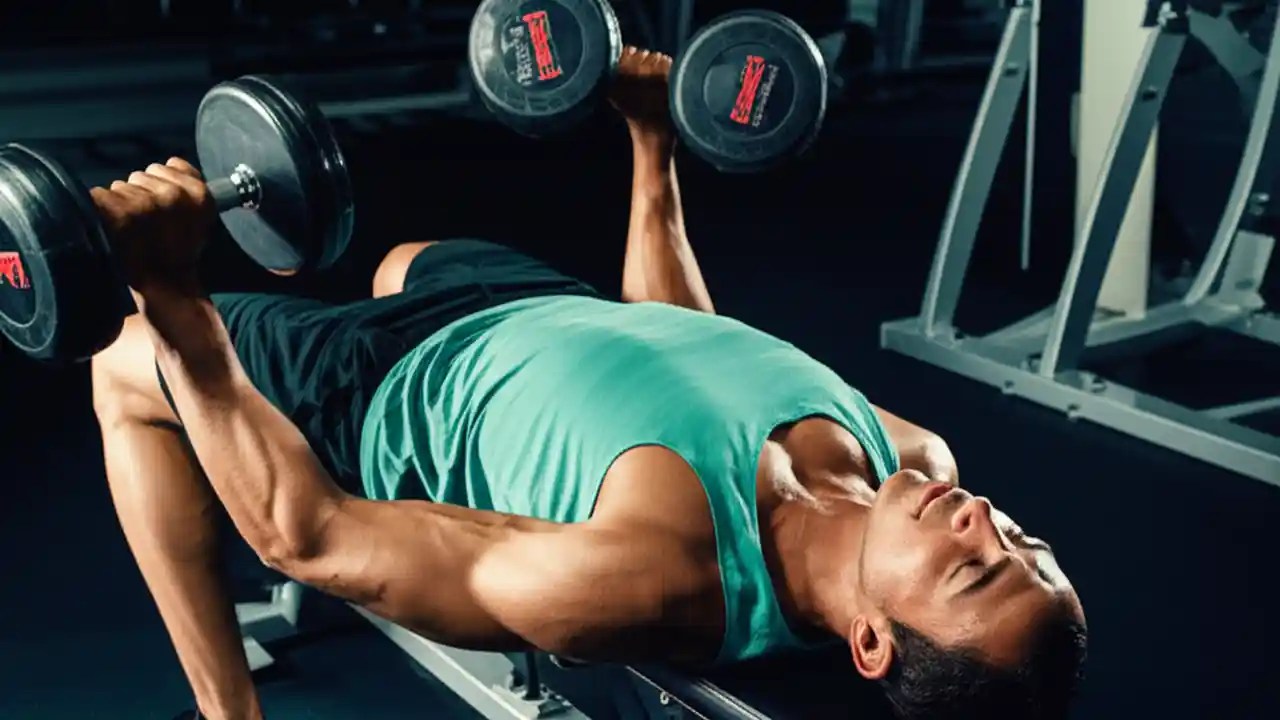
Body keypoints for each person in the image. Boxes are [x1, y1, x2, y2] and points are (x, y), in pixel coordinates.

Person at [89, 48, 1087, 720]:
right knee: (400, 253)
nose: (980, 523)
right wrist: (651, 141)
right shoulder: (908, 457)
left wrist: (174, 291)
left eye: (971, 570)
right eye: (1019, 540)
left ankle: (226, 705)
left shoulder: (645, 576)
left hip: (391, 384)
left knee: (121, 363)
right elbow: (695, 344)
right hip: (536, 302)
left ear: (869, 643)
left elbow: (307, 537)